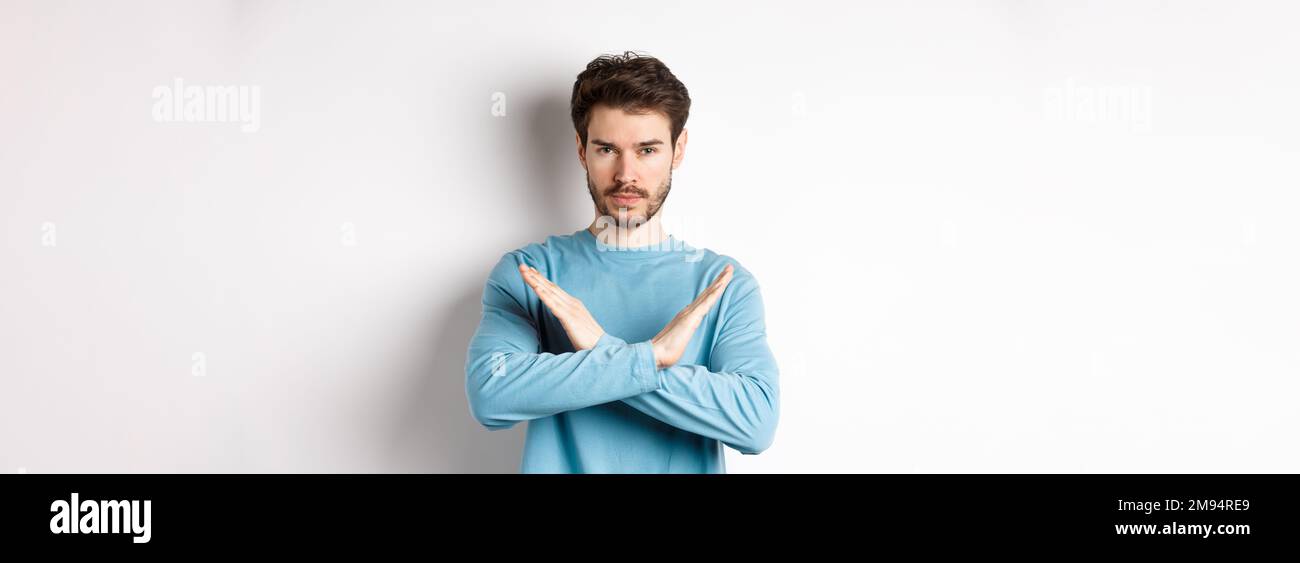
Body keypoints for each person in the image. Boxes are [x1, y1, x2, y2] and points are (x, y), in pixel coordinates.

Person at [464, 51, 779, 473]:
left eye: (647, 149)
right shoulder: (529, 274)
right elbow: (492, 393)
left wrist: (600, 348)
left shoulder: (722, 284)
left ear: (678, 149)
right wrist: (649, 359)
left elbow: (756, 422)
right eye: (607, 149)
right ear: (581, 150)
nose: (625, 173)